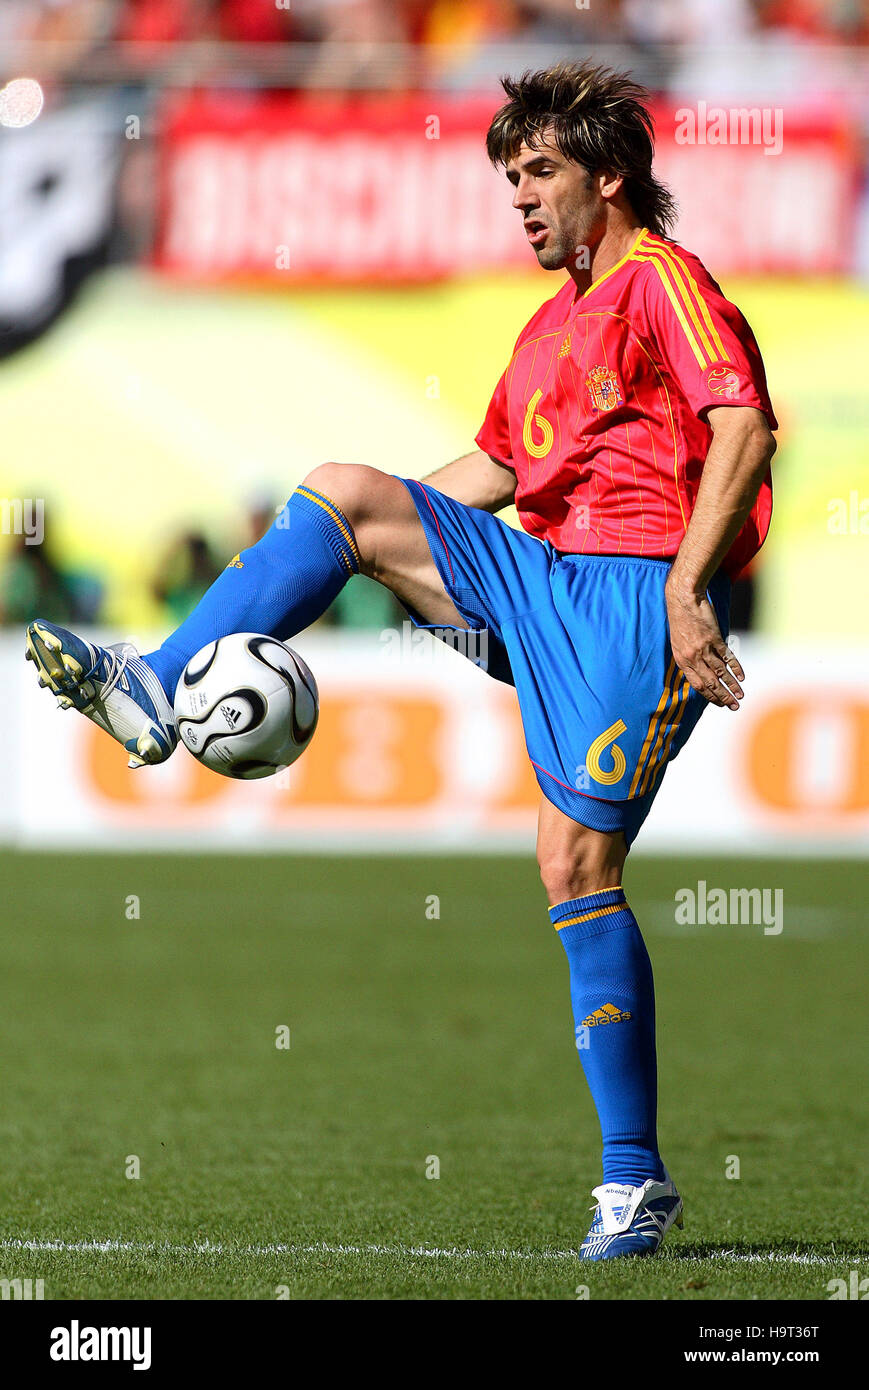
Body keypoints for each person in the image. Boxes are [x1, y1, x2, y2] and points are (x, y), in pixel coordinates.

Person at [24, 60, 777, 1259]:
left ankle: (632, 1183)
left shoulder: (660, 284)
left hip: (636, 598)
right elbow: (490, 476)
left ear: (610, 176)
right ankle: (159, 677)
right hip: (544, 580)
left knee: (571, 862)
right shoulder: (548, 326)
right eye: (509, 177)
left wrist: (690, 589)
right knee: (340, 492)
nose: (520, 199)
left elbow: (741, 423)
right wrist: (357, 554)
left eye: (539, 174)